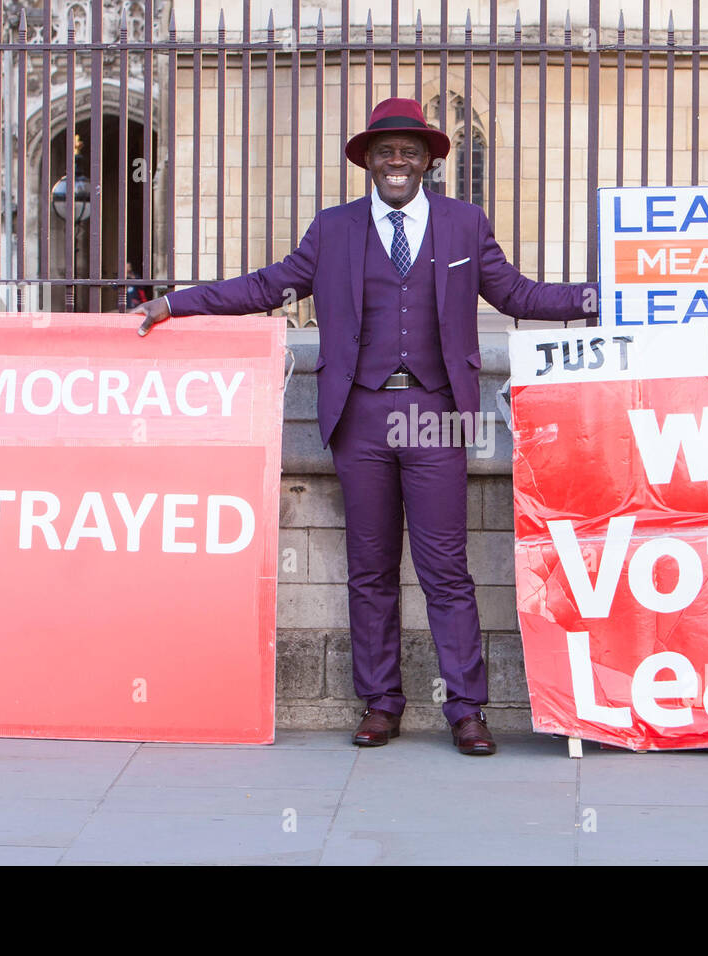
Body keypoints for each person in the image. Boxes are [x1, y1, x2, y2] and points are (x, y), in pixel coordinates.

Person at [132, 97, 595, 755]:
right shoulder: (334, 229)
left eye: (410, 150)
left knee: (446, 570)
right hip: (363, 415)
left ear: (430, 160)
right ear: (368, 162)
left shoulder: (464, 224)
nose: (398, 160)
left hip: (436, 414)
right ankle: (380, 703)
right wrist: (178, 302)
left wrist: (599, 296)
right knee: (369, 568)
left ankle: (466, 710)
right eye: (386, 151)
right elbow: (266, 286)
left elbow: (519, 296)